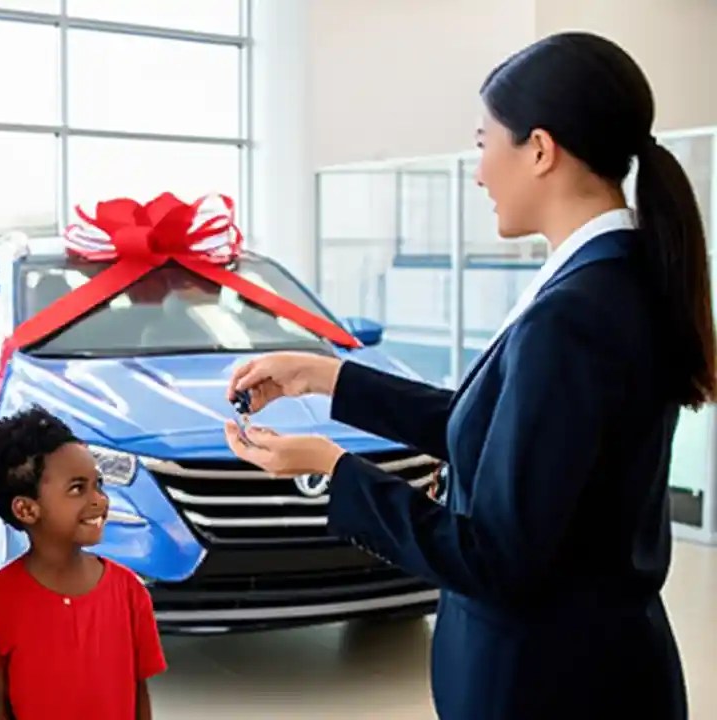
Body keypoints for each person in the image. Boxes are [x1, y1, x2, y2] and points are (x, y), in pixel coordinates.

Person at [225, 31, 703, 720]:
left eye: (485, 143)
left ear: (540, 150)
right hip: (590, 666)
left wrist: (334, 470)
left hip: (550, 684)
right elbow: (490, 428)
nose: (478, 173)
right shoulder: (613, 280)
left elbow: (495, 557)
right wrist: (326, 379)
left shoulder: (573, 315)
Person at [0, 406, 166, 720]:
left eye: (98, 484)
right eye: (77, 489)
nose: (99, 500)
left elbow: (140, 696)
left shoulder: (129, 592)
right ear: (26, 510)